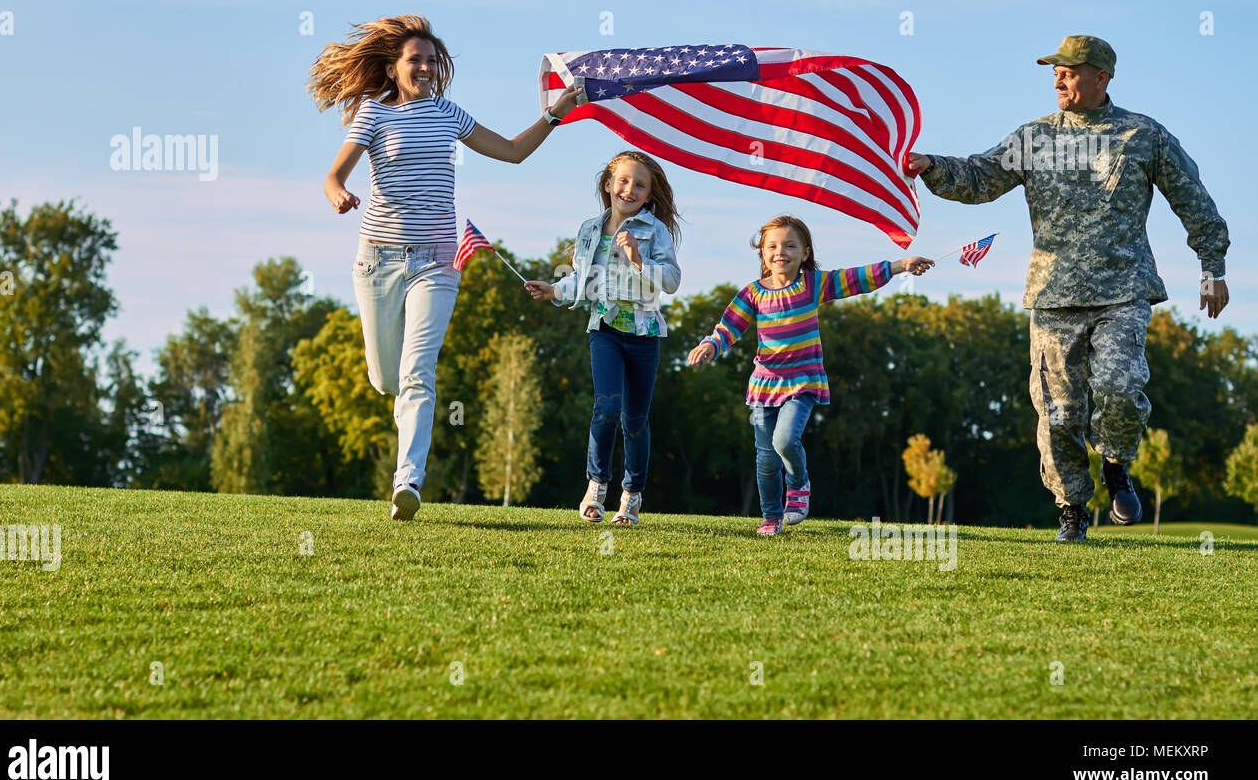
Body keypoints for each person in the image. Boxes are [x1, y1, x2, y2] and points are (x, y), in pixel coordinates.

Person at [905, 35, 1231, 542]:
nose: (1058, 78)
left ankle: (1117, 465)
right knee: (1057, 410)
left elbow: (1194, 200)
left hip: (1123, 289)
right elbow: (979, 177)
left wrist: (1212, 267)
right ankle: (1072, 511)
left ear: (1102, 77)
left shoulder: (1144, 135)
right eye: (1055, 70)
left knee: (1121, 390)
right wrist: (933, 166)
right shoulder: (1034, 137)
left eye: (1070, 70)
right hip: (1053, 296)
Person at [309, 14, 581, 521]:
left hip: (436, 262)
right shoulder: (372, 113)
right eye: (415, 60)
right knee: (387, 378)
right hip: (378, 262)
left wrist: (557, 112)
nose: (427, 68)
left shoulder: (449, 114)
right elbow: (332, 175)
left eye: (433, 61)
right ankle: (395, 413)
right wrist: (339, 195)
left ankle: (407, 481)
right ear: (392, 69)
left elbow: (513, 152)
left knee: (418, 373)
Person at [686, 215, 934, 536]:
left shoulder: (812, 284)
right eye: (772, 246)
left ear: (804, 253)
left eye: (790, 245)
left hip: (802, 382)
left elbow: (857, 277)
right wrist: (711, 344)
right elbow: (730, 325)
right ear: (762, 253)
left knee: (784, 440)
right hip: (764, 385)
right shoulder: (753, 294)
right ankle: (771, 518)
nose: (780, 252)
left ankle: (799, 482)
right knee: (764, 459)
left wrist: (901, 265)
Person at [525, 151, 682, 526]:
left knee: (635, 420)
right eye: (623, 181)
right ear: (608, 185)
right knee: (606, 407)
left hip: (644, 336)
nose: (630, 189)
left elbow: (673, 281)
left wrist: (639, 259)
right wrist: (554, 290)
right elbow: (580, 280)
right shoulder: (588, 230)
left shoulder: (654, 231)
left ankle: (631, 497)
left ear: (648, 195)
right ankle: (596, 487)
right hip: (604, 331)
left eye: (640, 185)